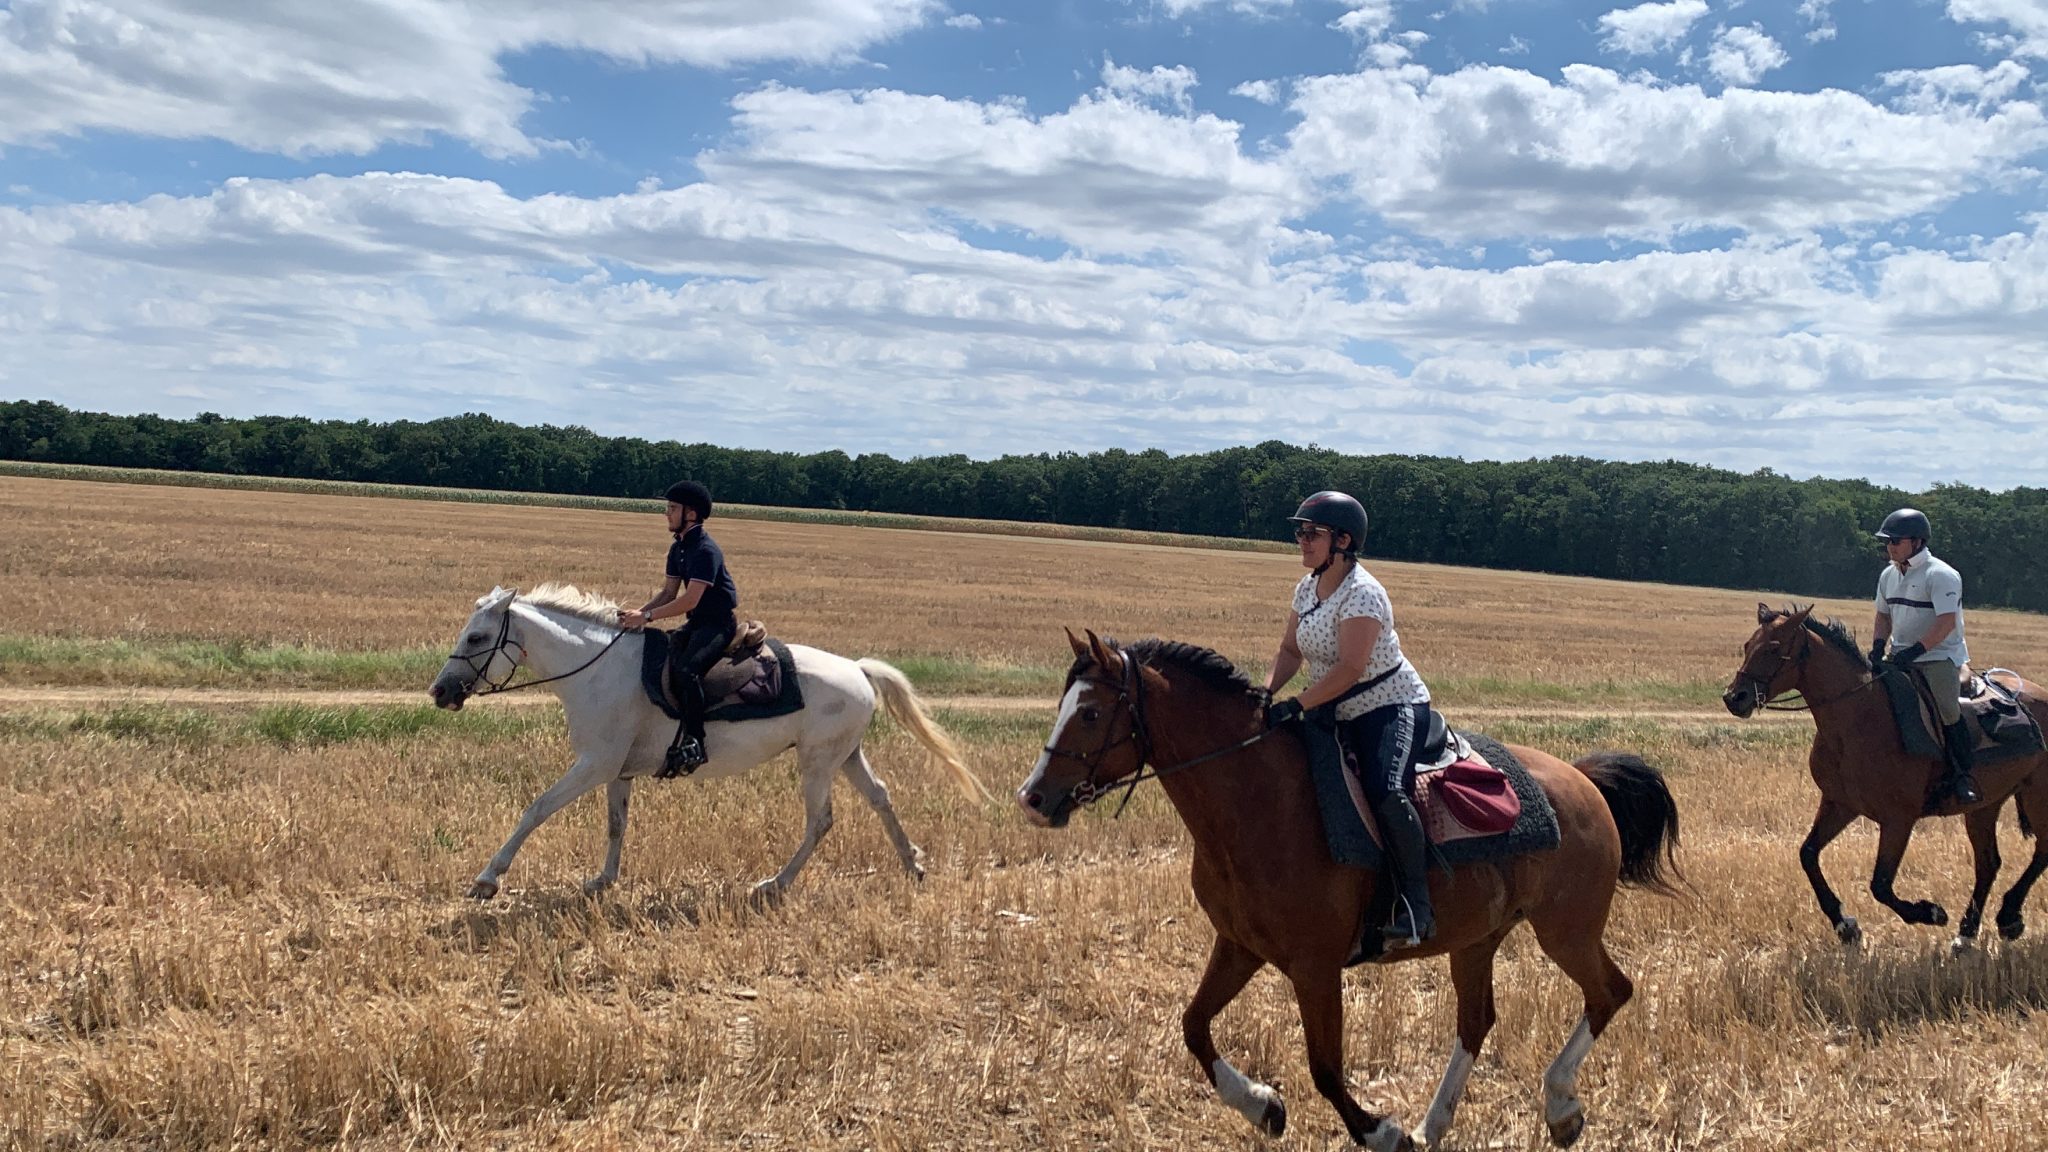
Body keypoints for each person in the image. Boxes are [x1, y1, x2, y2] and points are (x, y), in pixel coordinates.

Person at [1263, 490, 1437, 947]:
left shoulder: (1363, 594)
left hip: (1388, 707)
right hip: (1331, 706)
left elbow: (1350, 669)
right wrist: (1263, 695)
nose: (1301, 540)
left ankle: (1418, 909)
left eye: (1311, 533)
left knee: (1386, 791)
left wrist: (1298, 705)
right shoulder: (1306, 589)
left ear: (1343, 541)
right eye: (1299, 531)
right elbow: (1288, 650)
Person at [620, 481, 740, 776]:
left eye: (672, 508)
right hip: (696, 623)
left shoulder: (704, 550)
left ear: (691, 514)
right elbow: (668, 593)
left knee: (688, 672)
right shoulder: (679, 549)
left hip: (718, 625)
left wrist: (647, 619)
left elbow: (690, 599)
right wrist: (638, 613)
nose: (667, 514)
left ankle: (697, 741)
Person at [1869, 507, 1979, 805]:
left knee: (1947, 709)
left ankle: (1962, 775)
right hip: (1900, 656)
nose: (1889, 546)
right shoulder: (1888, 575)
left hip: (1940, 657)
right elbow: (1883, 615)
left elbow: (1945, 623)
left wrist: (1917, 650)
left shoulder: (1941, 574)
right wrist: (1879, 646)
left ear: (1916, 542)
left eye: (1895, 540)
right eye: (1887, 541)